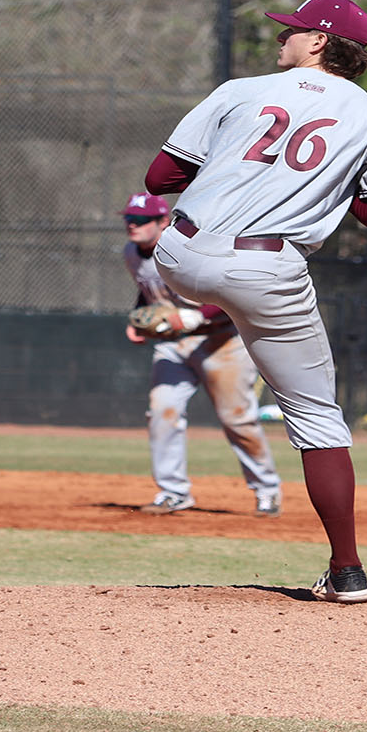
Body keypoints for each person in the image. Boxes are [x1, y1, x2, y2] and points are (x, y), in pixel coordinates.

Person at [142, 0, 367, 604]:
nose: (281, 38)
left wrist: (234, 170)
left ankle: (192, 313)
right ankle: (346, 570)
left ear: (318, 41)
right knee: (317, 418)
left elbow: (159, 180)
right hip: (264, 267)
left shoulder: (239, 92)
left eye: (292, 30)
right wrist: (336, 188)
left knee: (207, 283)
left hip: (178, 254)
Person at [119, 191, 284, 518]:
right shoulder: (131, 253)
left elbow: (231, 290)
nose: (132, 226)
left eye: (140, 220)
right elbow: (148, 289)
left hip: (222, 339)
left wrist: (196, 316)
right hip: (174, 343)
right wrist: (139, 319)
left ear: (163, 222)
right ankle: (173, 492)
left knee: (236, 419)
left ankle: (267, 490)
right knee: (162, 411)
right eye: (128, 219)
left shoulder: (187, 249)